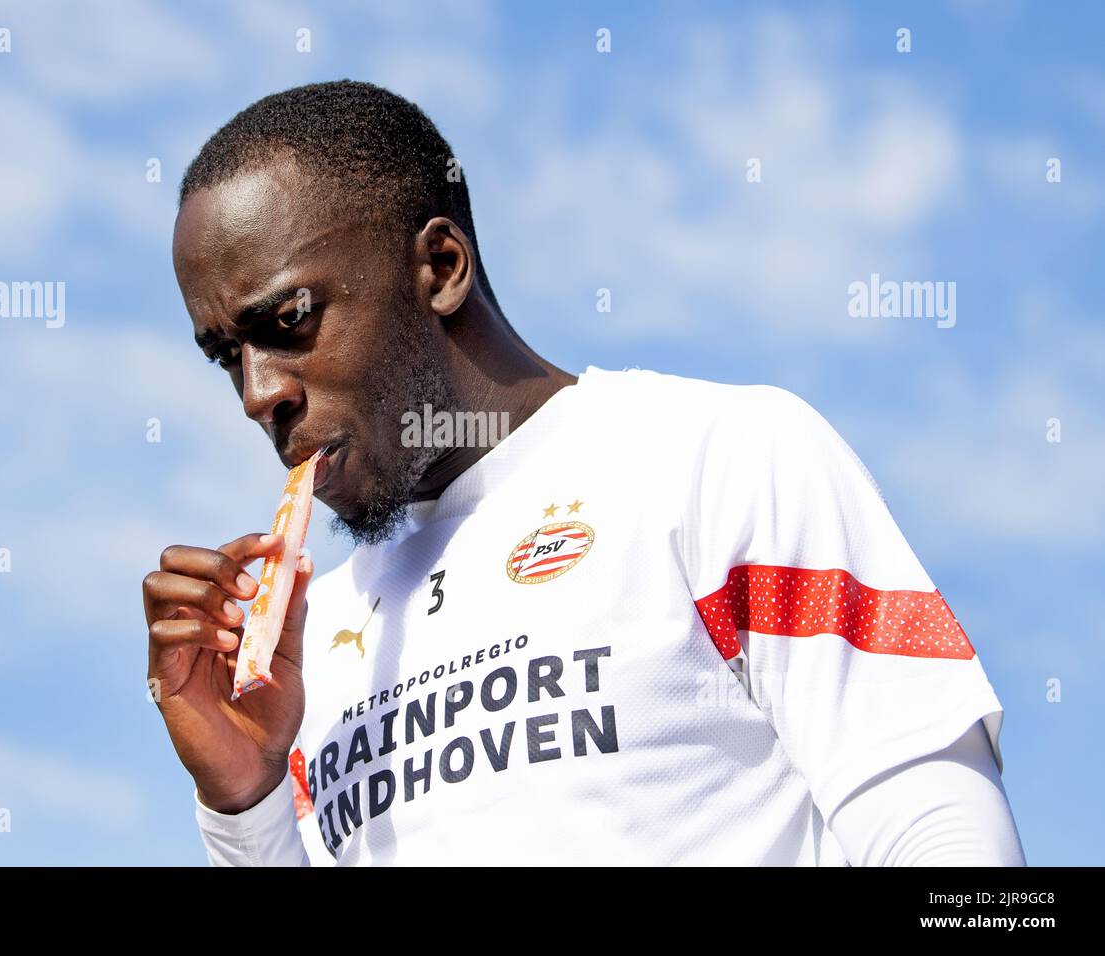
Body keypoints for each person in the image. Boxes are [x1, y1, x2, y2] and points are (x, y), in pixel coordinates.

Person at [145, 80, 1025, 865]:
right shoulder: (309, 651)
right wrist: (247, 799)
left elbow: (942, 840)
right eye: (227, 354)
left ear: (441, 269)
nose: (259, 395)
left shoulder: (716, 458)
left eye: (290, 321)